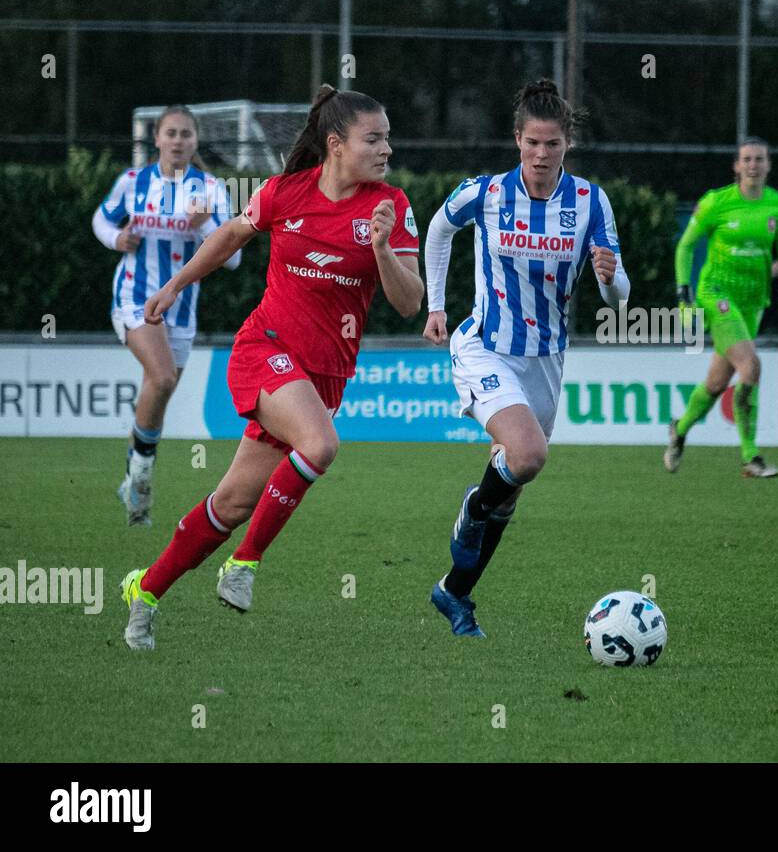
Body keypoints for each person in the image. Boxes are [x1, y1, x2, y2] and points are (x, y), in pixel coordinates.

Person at [119, 85, 423, 650]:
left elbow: (409, 302)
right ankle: (245, 563)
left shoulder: (391, 206)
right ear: (336, 144)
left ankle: (147, 591)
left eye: (388, 137)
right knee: (322, 445)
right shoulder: (286, 192)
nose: (386, 148)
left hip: (324, 374)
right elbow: (229, 235)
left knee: (232, 503)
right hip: (264, 349)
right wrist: (173, 285)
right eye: (373, 138)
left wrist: (382, 249)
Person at [422, 78, 629, 638]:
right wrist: (435, 306)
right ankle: (470, 508)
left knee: (511, 489)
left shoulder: (589, 201)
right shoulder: (486, 193)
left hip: (546, 359)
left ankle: (455, 594)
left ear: (567, 146)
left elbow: (618, 288)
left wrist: (611, 281)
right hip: (485, 344)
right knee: (529, 455)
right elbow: (439, 230)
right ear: (517, 140)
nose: (541, 155)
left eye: (553, 144)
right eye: (532, 143)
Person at [92, 105, 241, 526]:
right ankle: (140, 477)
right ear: (156, 138)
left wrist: (202, 227)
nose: (178, 141)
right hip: (134, 296)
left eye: (186, 135)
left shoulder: (210, 189)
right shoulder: (133, 182)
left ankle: (132, 474)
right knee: (161, 378)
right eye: (171, 133)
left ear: (195, 142)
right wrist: (118, 238)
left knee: (156, 393)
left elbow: (233, 258)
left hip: (182, 307)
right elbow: (100, 221)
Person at [664, 137, 778, 477]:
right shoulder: (716, 202)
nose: (753, 165)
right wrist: (684, 293)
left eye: (759, 159)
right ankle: (751, 456)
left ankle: (679, 429)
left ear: (768, 165)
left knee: (715, 383)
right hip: (716, 293)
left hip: (753, 301)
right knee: (751, 366)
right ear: (737, 166)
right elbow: (686, 246)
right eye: (747, 159)